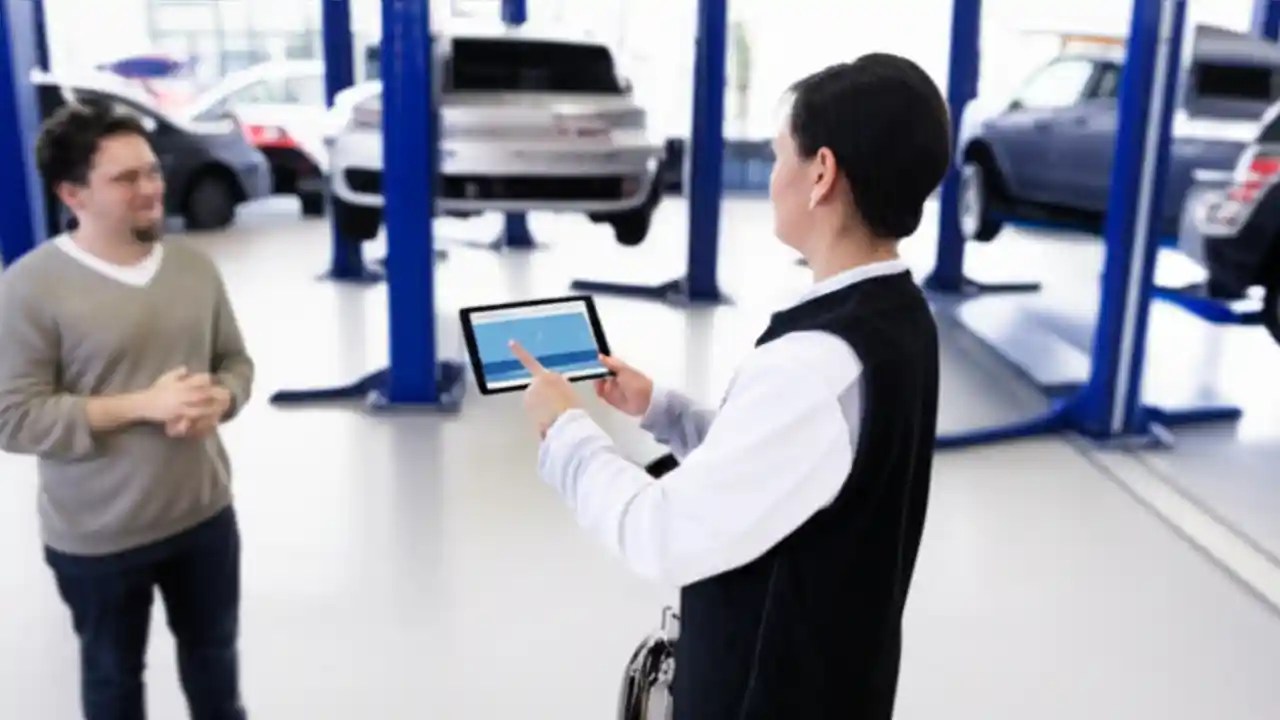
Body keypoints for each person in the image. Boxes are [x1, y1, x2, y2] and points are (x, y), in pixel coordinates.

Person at [510, 53, 950, 719]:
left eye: (780, 157)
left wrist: (565, 431)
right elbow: (794, 471)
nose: (774, 176)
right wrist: (663, 411)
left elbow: (659, 532)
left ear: (821, 174)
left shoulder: (812, 364)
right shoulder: (898, 317)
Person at [0, 98, 253, 720]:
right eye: (125, 178)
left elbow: (236, 364)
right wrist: (143, 404)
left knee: (215, 668)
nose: (150, 189)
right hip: (98, 539)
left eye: (152, 171)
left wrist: (221, 398)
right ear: (72, 194)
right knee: (114, 685)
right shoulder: (31, 287)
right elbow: (14, 417)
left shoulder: (193, 268)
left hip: (203, 516)